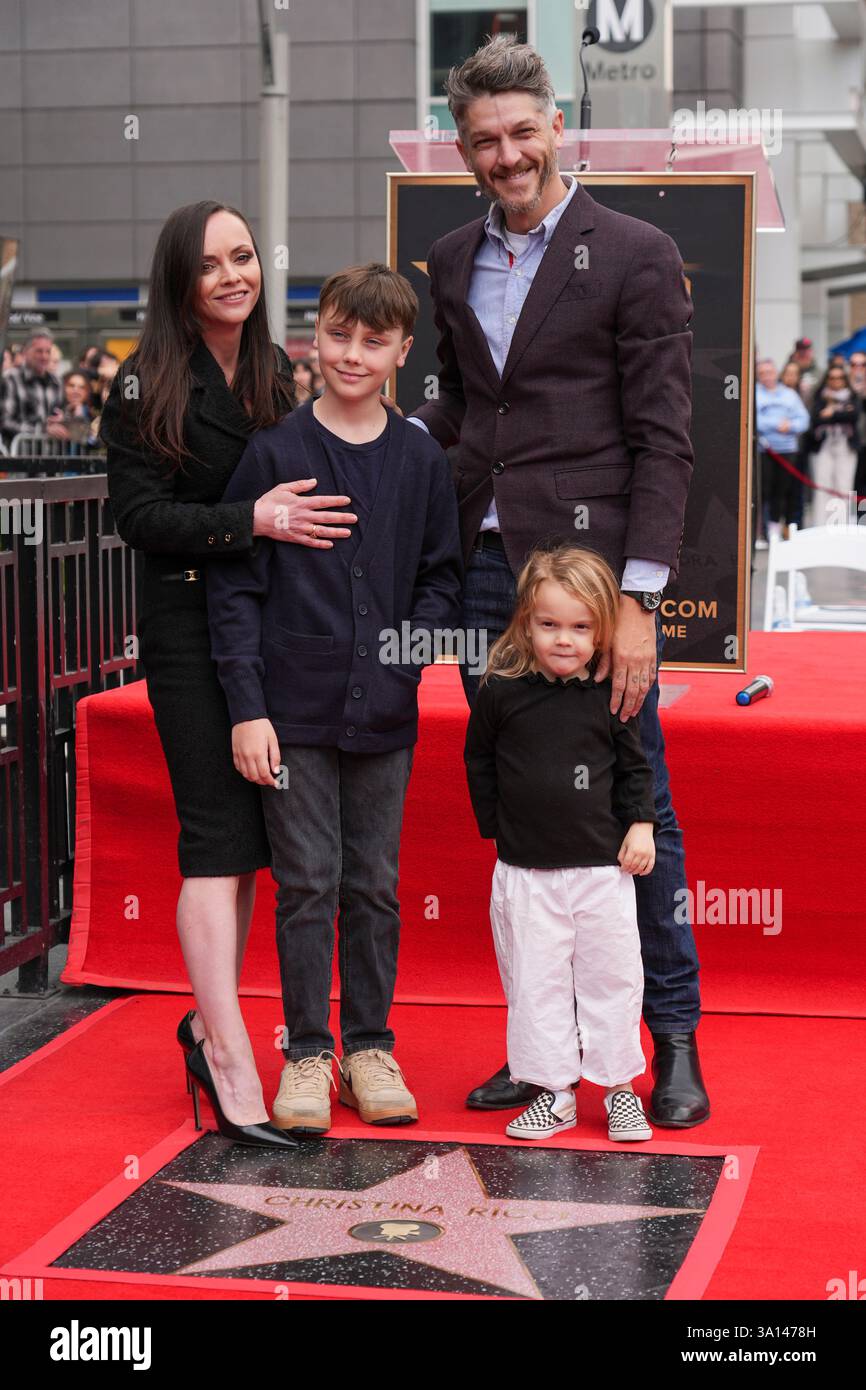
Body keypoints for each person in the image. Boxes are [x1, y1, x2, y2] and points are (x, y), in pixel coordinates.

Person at [407, 33, 709, 1127]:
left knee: (641, 809)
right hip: (485, 578)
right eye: (484, 140)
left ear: (557, 127)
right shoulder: (446, 261)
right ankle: (541, 1054)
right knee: (528, 817)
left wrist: (637, 601)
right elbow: (458, 413)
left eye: (523, 132)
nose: (507, 155)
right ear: (462, 145)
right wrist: (362, 437)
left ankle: (664, 1040)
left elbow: (664, 441)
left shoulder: (631, 251)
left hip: (589, 586)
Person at [102, 199, 362, 1150]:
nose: (232, 276)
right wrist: (245, 521)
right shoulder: (142, 385)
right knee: (215, 839)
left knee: (252, 843)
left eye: (244, 256)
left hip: (264, 635)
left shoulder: (271, 369)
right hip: (186, 636)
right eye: (211, 264)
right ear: (180, 279)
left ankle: (214, 1021)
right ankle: (226, 1051)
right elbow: (136, 520)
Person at [206, 262, 464, 1137]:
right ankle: (308, 1051)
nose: (352, 353)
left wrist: (403, 662)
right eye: (338, 334)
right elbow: (234, 587)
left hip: (385, 714)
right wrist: (247, 705)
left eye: (374, 339)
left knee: (376, 885)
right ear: (314, 335)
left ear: (401, 352)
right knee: (307, 882)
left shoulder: (421, 455)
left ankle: (369, 1046)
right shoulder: (273, 452)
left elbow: (441, 578)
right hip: (290, 710)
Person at [465, 545, 659, 1143]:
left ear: (602, 630)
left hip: (601, 872)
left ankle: (619, 1089)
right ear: (526, 622)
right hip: (526, 874)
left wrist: (641, 825)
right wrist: (499, 828)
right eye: (549, 625)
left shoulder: (609, 697)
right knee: (536, 982)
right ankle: (554, 1093)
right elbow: (479, 761)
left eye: (580, 627)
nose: (565, 640)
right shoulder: (500, 692)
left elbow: (634, 768)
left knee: (612, 978)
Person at [755, 358, 810, 544]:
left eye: (769, 372)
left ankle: (774, 530)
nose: (766, 376)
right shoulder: (754, 393)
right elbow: (755, 420)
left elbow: (803, 420)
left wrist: (791, 425)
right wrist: (777, 425)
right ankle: (760, 532)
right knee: (764, 491)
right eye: (762, 373)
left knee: (782, 491)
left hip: (787, 450)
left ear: (776, 373)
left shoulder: (789, 395)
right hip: (764, 450)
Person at [808, 362, 858, 525]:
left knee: (844, 486)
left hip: (846, 446)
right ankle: (821, 525)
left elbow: (853, 417)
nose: (836, 381)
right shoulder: (819, 396)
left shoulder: (852, 396)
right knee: (822, 486)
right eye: (832, 378)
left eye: (840, 378)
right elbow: (815, 419)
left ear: (845, 379)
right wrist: (840, 412)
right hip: (824, 446)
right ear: (827, 379)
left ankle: (843, 525)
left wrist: (832, 412)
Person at [0, 330, 63, 449]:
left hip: (51, 456)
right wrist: (41, 430)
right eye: (39, 351)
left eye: (48, 351)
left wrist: (62, 421)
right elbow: (5, 422)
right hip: (18, 457)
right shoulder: (10, 378)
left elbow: (60, 414)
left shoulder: (56, 382)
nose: (44, 356)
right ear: (25, 352)